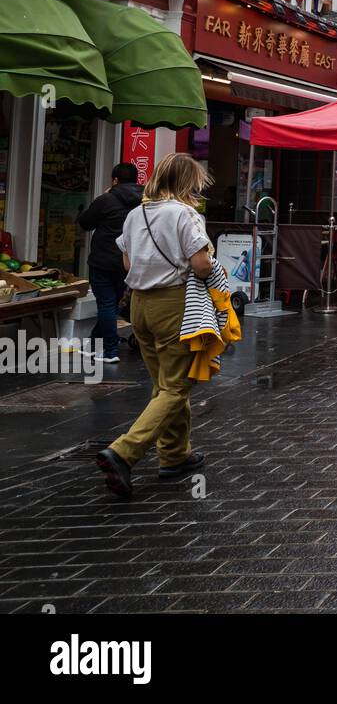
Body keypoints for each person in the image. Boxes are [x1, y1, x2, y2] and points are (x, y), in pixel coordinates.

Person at [94, 154, 215, 499]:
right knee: (177, 385)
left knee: (163, 382)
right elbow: (201, 265)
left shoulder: (135, 214)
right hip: (173, 303)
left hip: (139, 305)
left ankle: (174, 454)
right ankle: (123, 452)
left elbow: (127, 260)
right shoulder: (185, 214)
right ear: (185, 182)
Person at [77, 162, 144, 364]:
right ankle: (93, 345)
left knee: (106, 304)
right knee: (111, 303)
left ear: (115, 180)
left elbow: (85, 223)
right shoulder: (144, 201)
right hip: (129, 261)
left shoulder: (107, 199)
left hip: (103, 260)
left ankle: (109, 350)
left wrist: (105, 197)